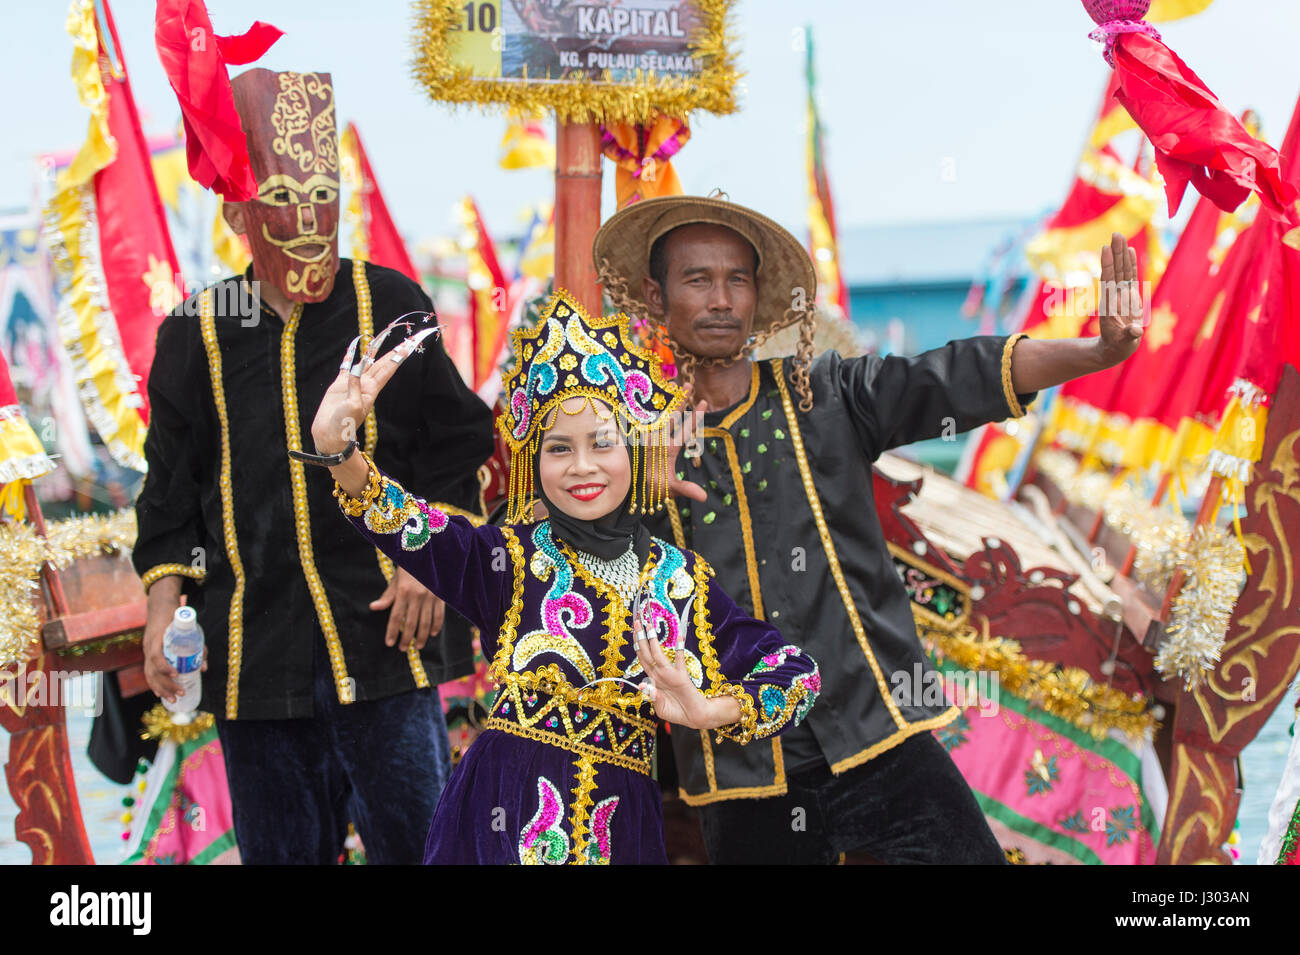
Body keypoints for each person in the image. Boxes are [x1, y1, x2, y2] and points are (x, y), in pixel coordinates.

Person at [592, 195, 1146, 864]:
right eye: (697, 278)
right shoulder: (626, 447)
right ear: (657, 294)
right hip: (738, 767)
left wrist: (1094, 351)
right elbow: (549, 543)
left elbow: (949, 377)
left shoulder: (827, 397)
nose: (720, 298)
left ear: (757, 294)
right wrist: (629, 480)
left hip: (876, 735)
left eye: (736, 278)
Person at [309, 290, 820, 864]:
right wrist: (338, 449)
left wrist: (709, 710)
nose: (581, 466)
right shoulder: (506, 561)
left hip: (623, 824)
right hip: (501, 816)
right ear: (535, 464)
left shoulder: (680, 582)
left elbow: (795, 674)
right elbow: (404, 522)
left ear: (634, 448)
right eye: (558, 448)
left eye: (602, 442)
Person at [132, 68, 495, 864]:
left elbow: (462, 448)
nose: (311, 216)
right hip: (252, 659)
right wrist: (163, 610)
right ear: (236, 210)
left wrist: (430, 561)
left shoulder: (391, 301)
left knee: (424, 848)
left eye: (324, 192)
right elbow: (169, 497)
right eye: (285, 196)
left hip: (387, 647)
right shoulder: (195, 331)